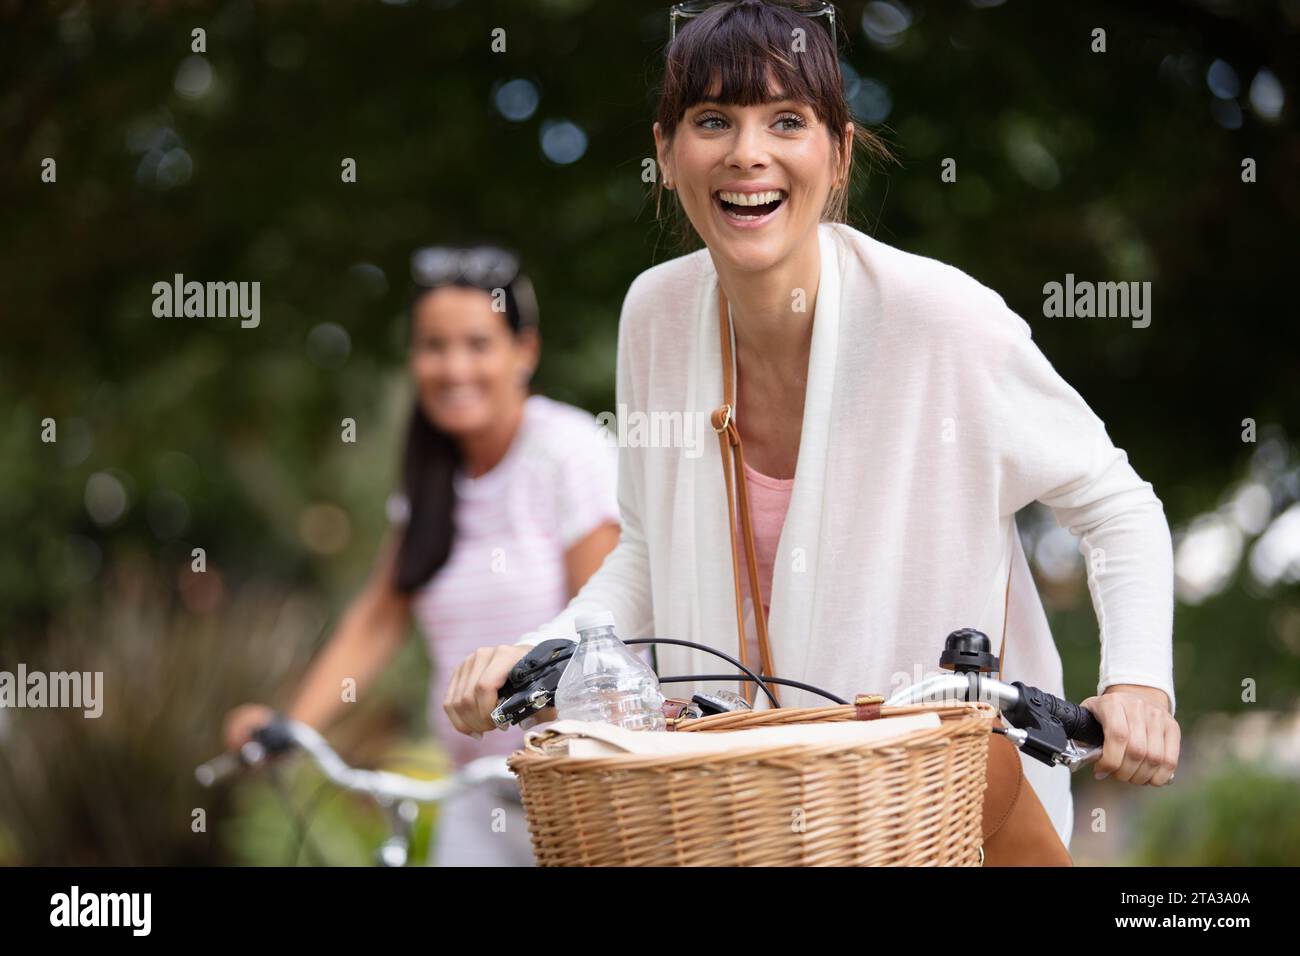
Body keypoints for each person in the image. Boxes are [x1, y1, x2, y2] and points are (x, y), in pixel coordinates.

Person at [443, 0, 1179, 850]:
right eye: (712, 119)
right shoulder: (654, 313)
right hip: (741, 814)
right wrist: (534, 653)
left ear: (837, 154)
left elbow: (1115, 503)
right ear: (665, 153)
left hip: (939, 805)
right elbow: (643, 550)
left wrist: (1138, 686)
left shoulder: (941, 318)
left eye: (785, 120)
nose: (746, 152)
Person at [224, 245, 620, 866]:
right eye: (434, 346)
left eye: (477, 343)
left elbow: (602, 619)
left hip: (579, 795)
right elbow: (378, 618)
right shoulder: (429, 482)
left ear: (525, 351)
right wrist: (292, 727)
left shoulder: (568, 451)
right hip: (475, 797)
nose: (453, 366)